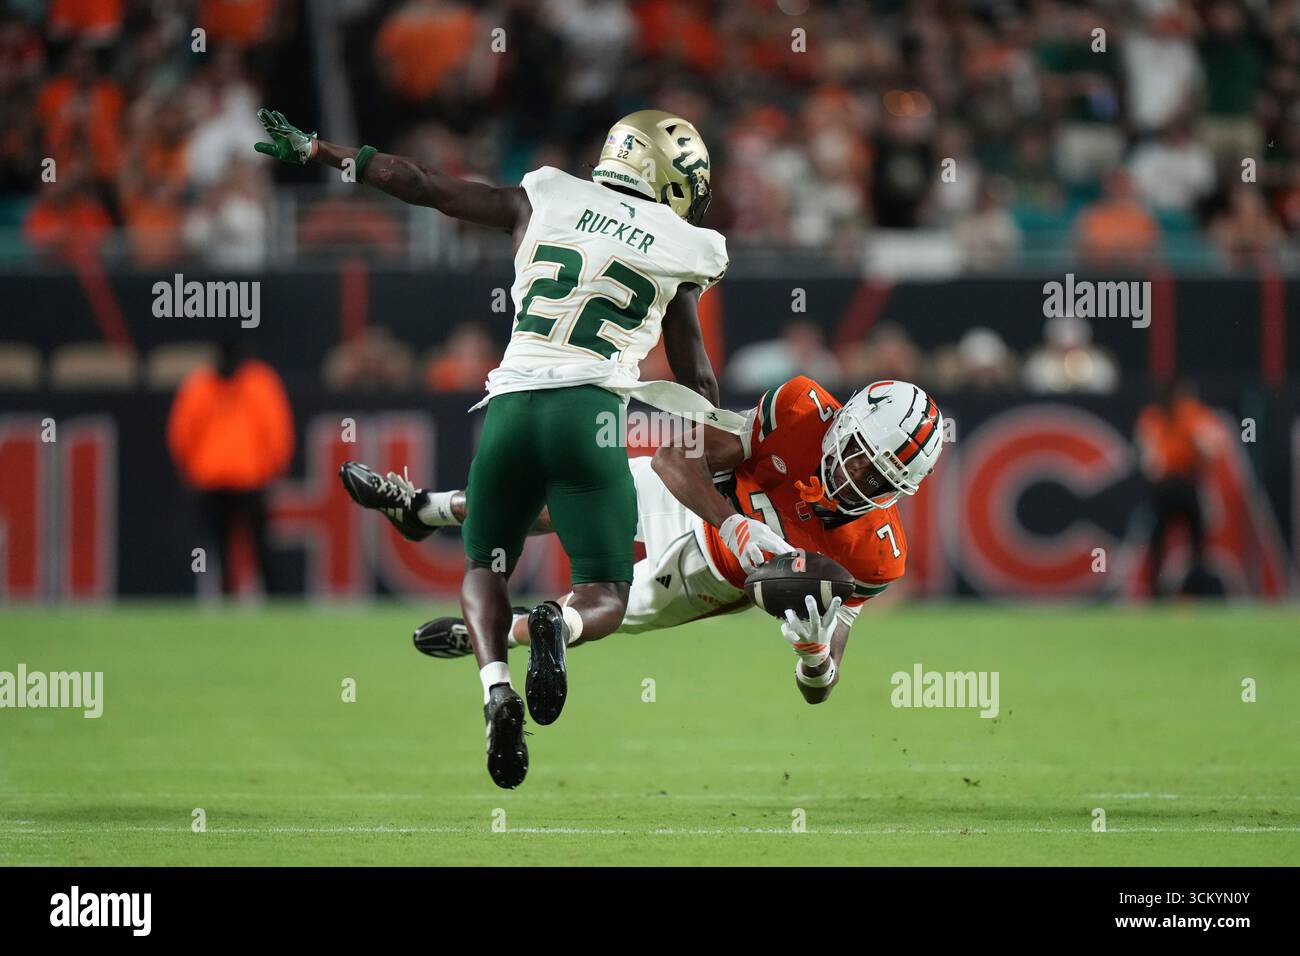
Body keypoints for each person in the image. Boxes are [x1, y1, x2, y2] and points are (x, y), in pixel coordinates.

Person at [257, 107, 745, 789]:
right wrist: (713, 443)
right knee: (604, 590)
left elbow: (422, 183)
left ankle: (494, 691)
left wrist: (320, 150)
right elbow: (695, 374)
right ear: (671, 178)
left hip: (512, 410)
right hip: (592, 415)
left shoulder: (543, 193)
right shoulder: (686, 245)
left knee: (485, 567)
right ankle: (559, 623)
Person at [341, 376, 944, 706]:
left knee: (602, 613)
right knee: (565, 502)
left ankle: (503, 629)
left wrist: (814, 656)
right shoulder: (797, 410)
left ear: (901, 491)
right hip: (700, 503)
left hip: (708, 573)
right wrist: (737, 520)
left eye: (880, 479)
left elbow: (822, 689)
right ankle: (424, 508)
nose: (856, 478)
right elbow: (670, 458)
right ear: (844, 424)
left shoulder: (877, 553)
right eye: (863, 458)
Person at [166, 341, 294, 596]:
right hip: (248, 477)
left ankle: (224, 599)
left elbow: (181, 434)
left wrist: (190, 470)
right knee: (256, 545)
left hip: (216, 477)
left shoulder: (200, 383)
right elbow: (276, 431)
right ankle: (270, 600)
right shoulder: (258, 381)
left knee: (220, 545)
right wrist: (275, 468)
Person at [1134, 380, 1222, 598]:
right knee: (1164, 541)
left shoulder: (1187, 415)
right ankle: (1161, 590)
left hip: (1180, 483)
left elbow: (1212, 445)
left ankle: (1189, 589)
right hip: (1174, 485)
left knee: (1192, 543)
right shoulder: (1162, 416)